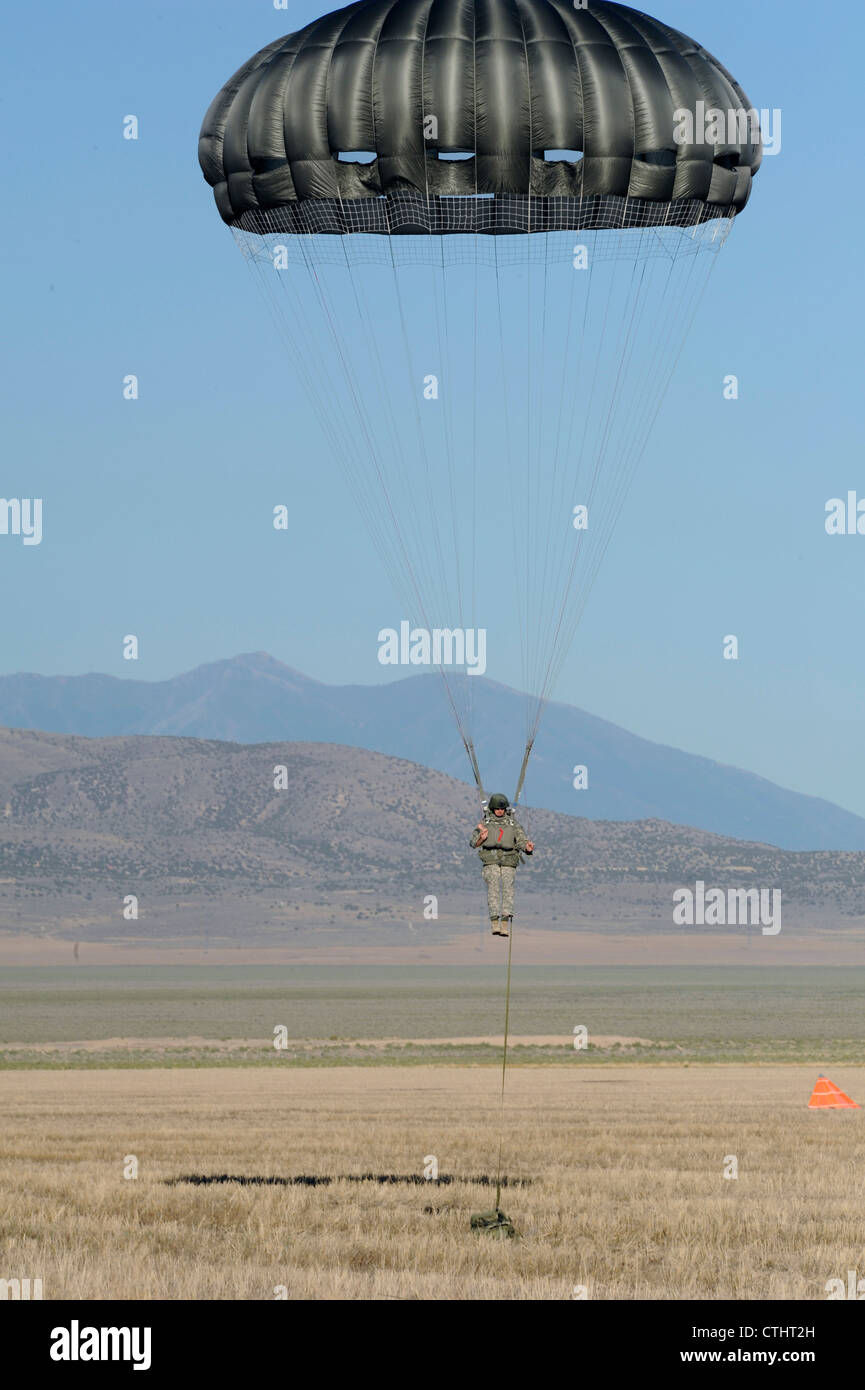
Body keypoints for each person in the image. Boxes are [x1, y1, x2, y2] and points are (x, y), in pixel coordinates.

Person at [470, 793, 534, 937]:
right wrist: (482, 836)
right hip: (490, 859)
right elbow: (473, 843)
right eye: (497, 809)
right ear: (492, 809)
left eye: (502, 809)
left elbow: (521, 840)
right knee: (493, 886)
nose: (500, 811)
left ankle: (505, 921)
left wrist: (527, 848)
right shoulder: (485, 824)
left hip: (508, 859)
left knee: (507, 887)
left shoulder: (513, 824)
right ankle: (494, 921)